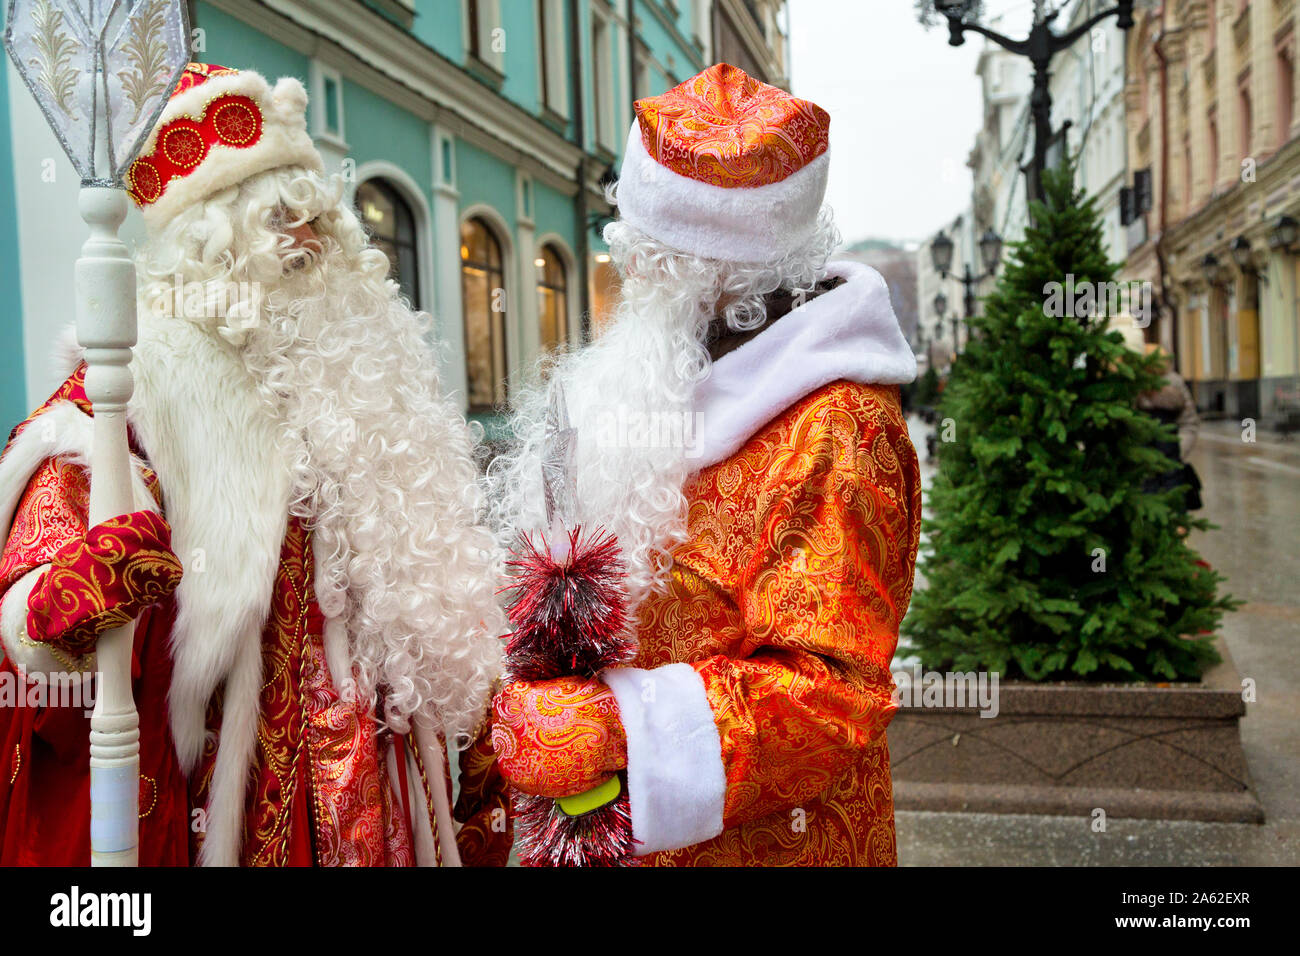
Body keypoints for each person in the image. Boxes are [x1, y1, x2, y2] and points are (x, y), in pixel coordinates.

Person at [0, 64, 510, 866]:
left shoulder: (366, 382)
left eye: (316, 224)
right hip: (243, 800)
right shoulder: (141, 385)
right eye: (279, 225)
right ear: (209, 246)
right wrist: (69, 592)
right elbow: (38, 584)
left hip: (380, 780)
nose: (308, 247)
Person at [487, 63, 921, 865]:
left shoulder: (837, 424)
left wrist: (617, 729)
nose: (626, 267)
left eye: (643, 252)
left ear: (702, 268)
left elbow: (833, 690)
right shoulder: (642, 384)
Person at [1137, 343, 1202, 511]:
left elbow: (1189, 423)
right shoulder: (1133, 385)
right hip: (1142, 463)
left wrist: (1176, 451)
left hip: (1170, 461)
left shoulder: (1174, 383)